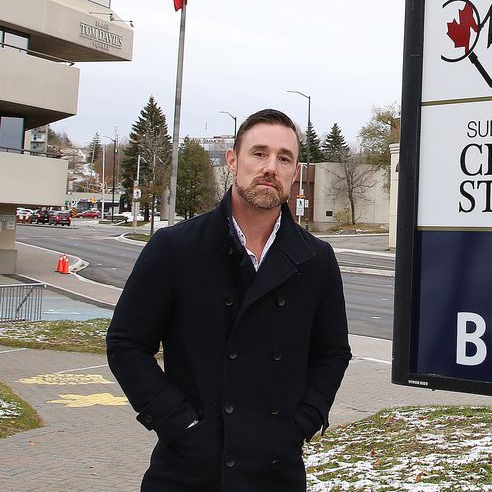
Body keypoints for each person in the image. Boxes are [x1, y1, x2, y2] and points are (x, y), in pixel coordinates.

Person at [108, 108, 352, 491]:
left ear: (294, 171)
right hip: (189, 470)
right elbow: (126, 344)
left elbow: (333, 352)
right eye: (259, 153)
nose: (271, 166)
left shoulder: (316, 259)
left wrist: (303, 421)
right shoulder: (176, 248)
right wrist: (180, 423)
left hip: (276, 471)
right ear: (233, 160)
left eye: (284, 158)